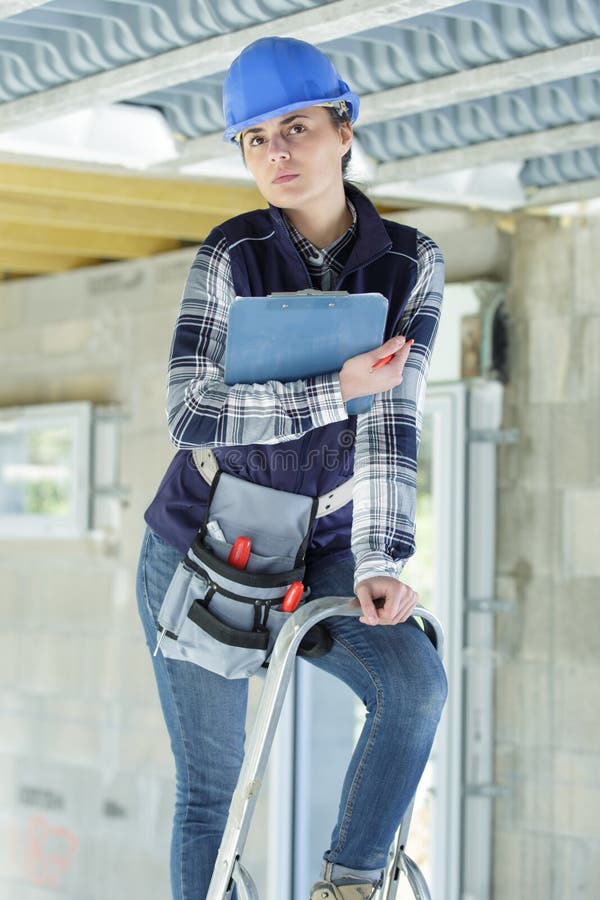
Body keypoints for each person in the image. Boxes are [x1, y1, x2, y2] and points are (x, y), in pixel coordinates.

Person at [136, 35, 447, 900]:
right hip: (208, 543)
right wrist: (329, 389)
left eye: (298, 127)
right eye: (256, 137)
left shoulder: (409, 262)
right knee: (209, 793)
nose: (277, 151)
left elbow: (390, 415)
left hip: (328, 546)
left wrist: (383, 561)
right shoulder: (231, 255)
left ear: (344, 131)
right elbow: (189, 411)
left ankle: (349, 886)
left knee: (414, 689)